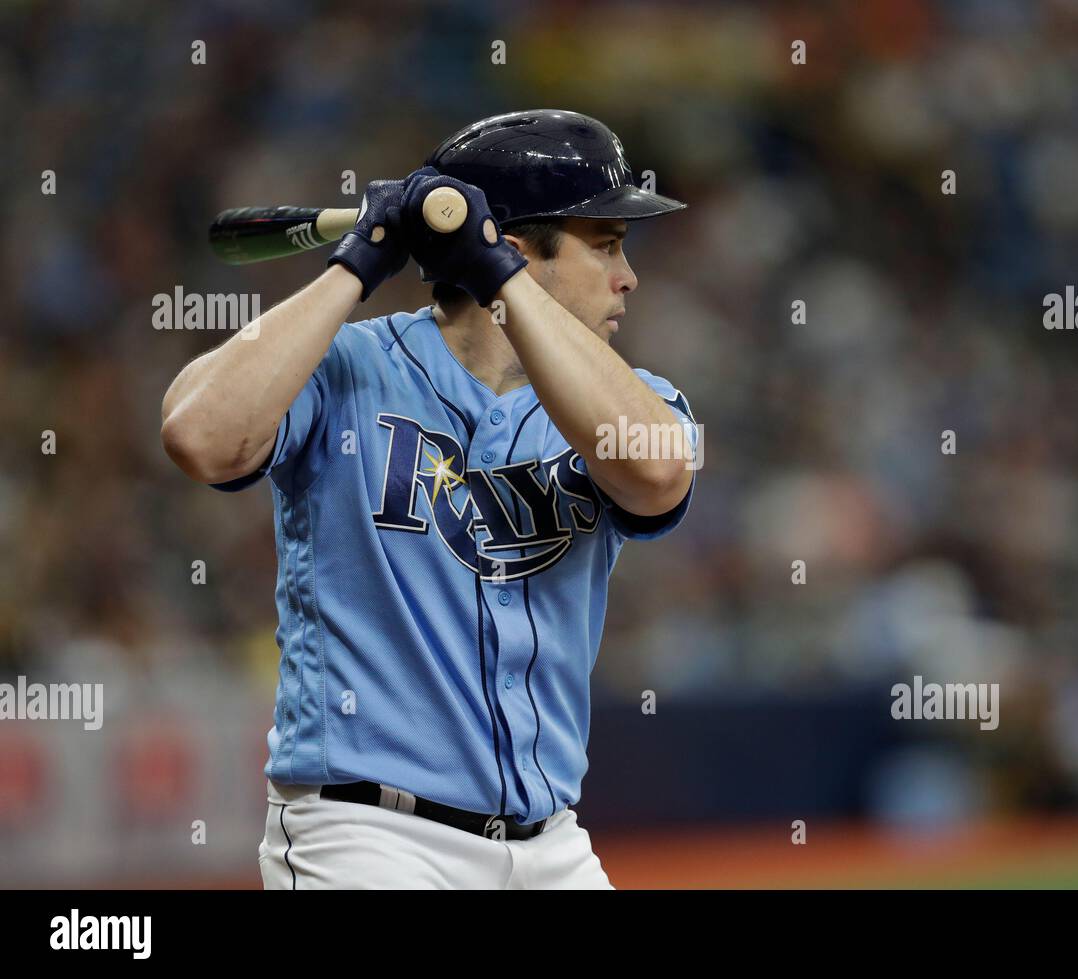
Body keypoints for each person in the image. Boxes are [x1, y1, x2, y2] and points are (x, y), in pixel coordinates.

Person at [159, 110, 698, 889]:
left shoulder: (626, 400)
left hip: (551, 845)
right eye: (606, 242)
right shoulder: (348, 367)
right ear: (517, 249)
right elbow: (198, 436)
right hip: (369, 835)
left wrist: (497, 277)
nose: (628, 275)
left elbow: (656, 475)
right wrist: (355, 264)